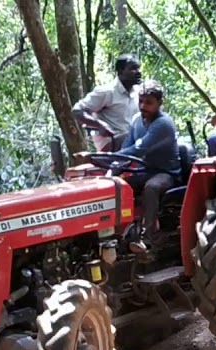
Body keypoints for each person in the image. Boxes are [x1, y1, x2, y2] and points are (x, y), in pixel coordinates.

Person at [119, 80, 180, 253]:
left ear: (159, 104)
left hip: (166, 173)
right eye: (141, 101)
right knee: (122, 185)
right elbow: (125, 149)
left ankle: (149, 236)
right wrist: (112, 168)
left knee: (151, 188)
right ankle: (122, 233)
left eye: (149, 103)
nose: (143, 106)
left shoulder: (163, 124)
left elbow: (138, 150)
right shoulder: (137, 121)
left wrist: (115, 160)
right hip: (146, 170)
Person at [73, 54, 142, 150]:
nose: (138, 72)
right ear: (120, 71)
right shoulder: (107, 91)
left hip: (132, 141)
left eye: (139, 68)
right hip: (113, 142)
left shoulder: (139, 92)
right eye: (133, 69)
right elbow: (77, 111)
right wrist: (100, 125)